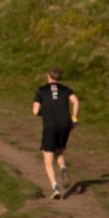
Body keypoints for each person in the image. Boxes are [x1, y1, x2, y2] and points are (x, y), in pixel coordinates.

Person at [32, 69, 80, 198]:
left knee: (48, 159)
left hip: (50, 125)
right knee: (59, 151)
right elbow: (75, 102)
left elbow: (35, 111)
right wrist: (74, 118)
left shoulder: (41, 90)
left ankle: (55, 188)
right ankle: (63, 167)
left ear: (48, 76)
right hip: (65, 124)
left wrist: (46, 113)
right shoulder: (66, 89)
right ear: (59, 78)